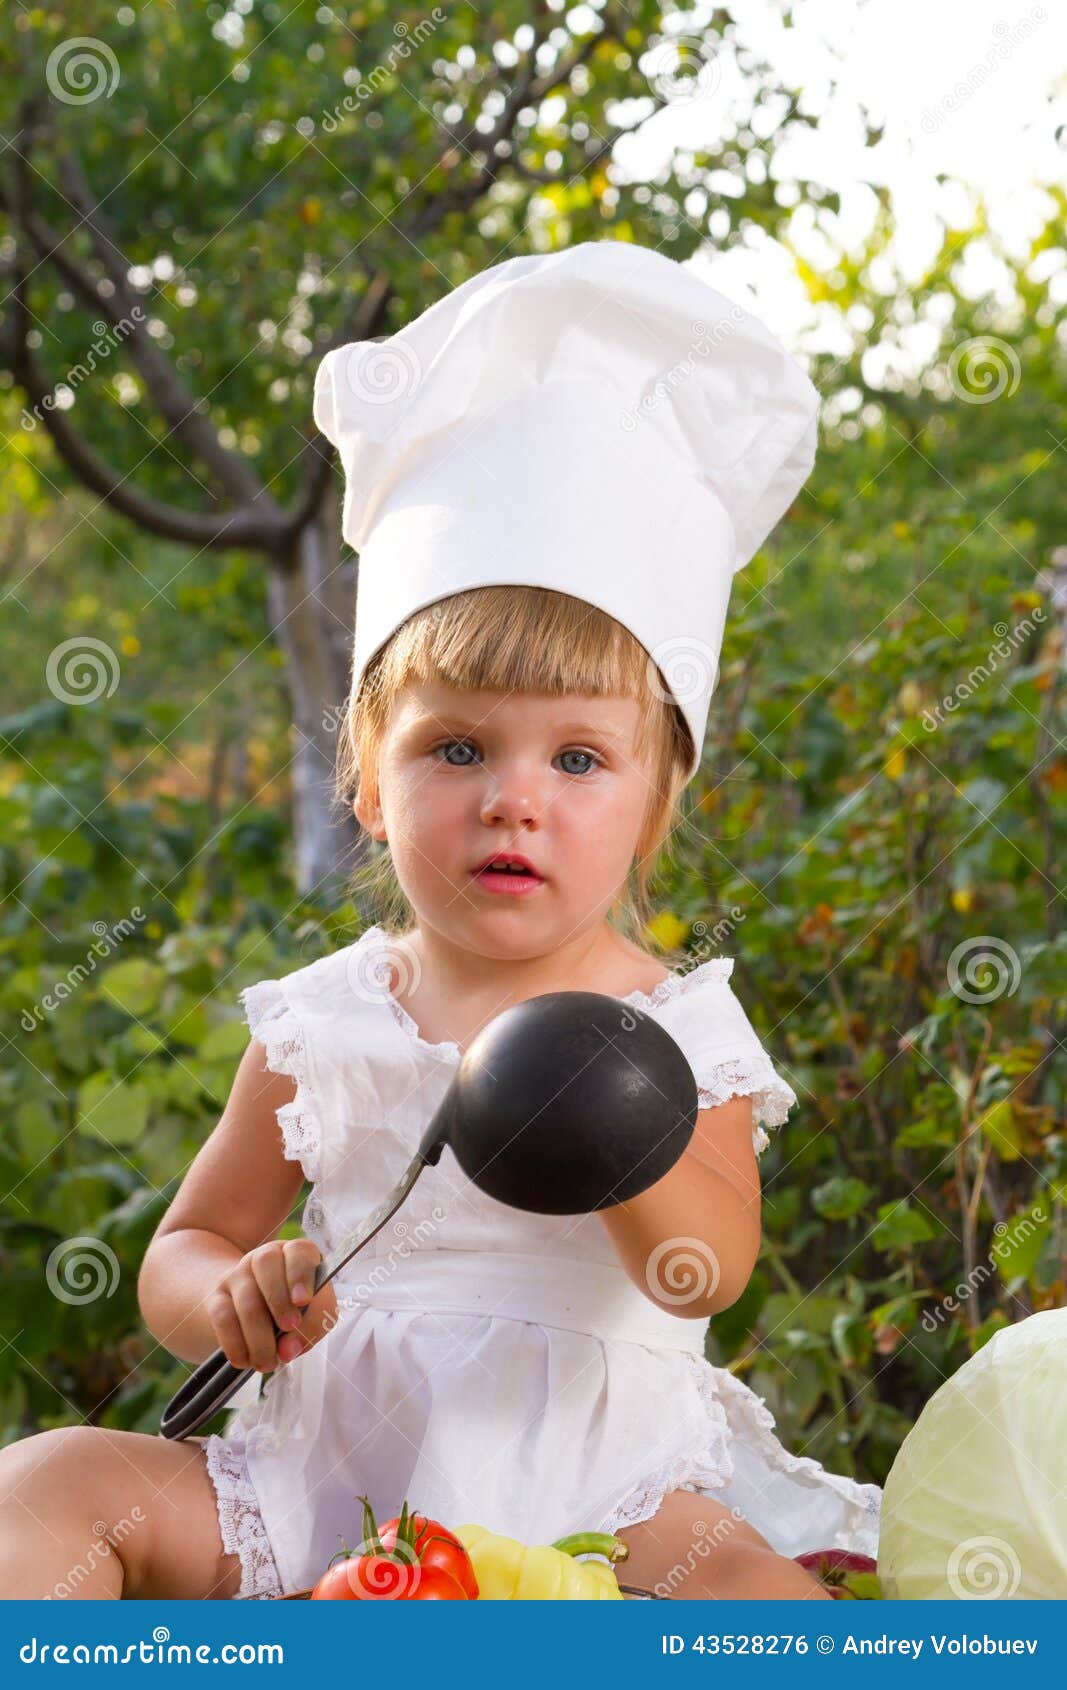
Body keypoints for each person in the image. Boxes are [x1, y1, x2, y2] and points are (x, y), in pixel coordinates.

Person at [0, 242, 880, 1600]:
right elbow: (187, 1245)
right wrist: (227, 1295)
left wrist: (614, 1128)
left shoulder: (677, 1025)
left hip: (602, 1502)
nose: (513, 803)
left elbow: (711, 1273)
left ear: (657, 800)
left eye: (578, 761)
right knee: (50, 1480)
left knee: (767, 1598)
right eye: (458, 748)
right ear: (368, 775)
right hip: (321, 1492)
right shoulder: (325, 1020)